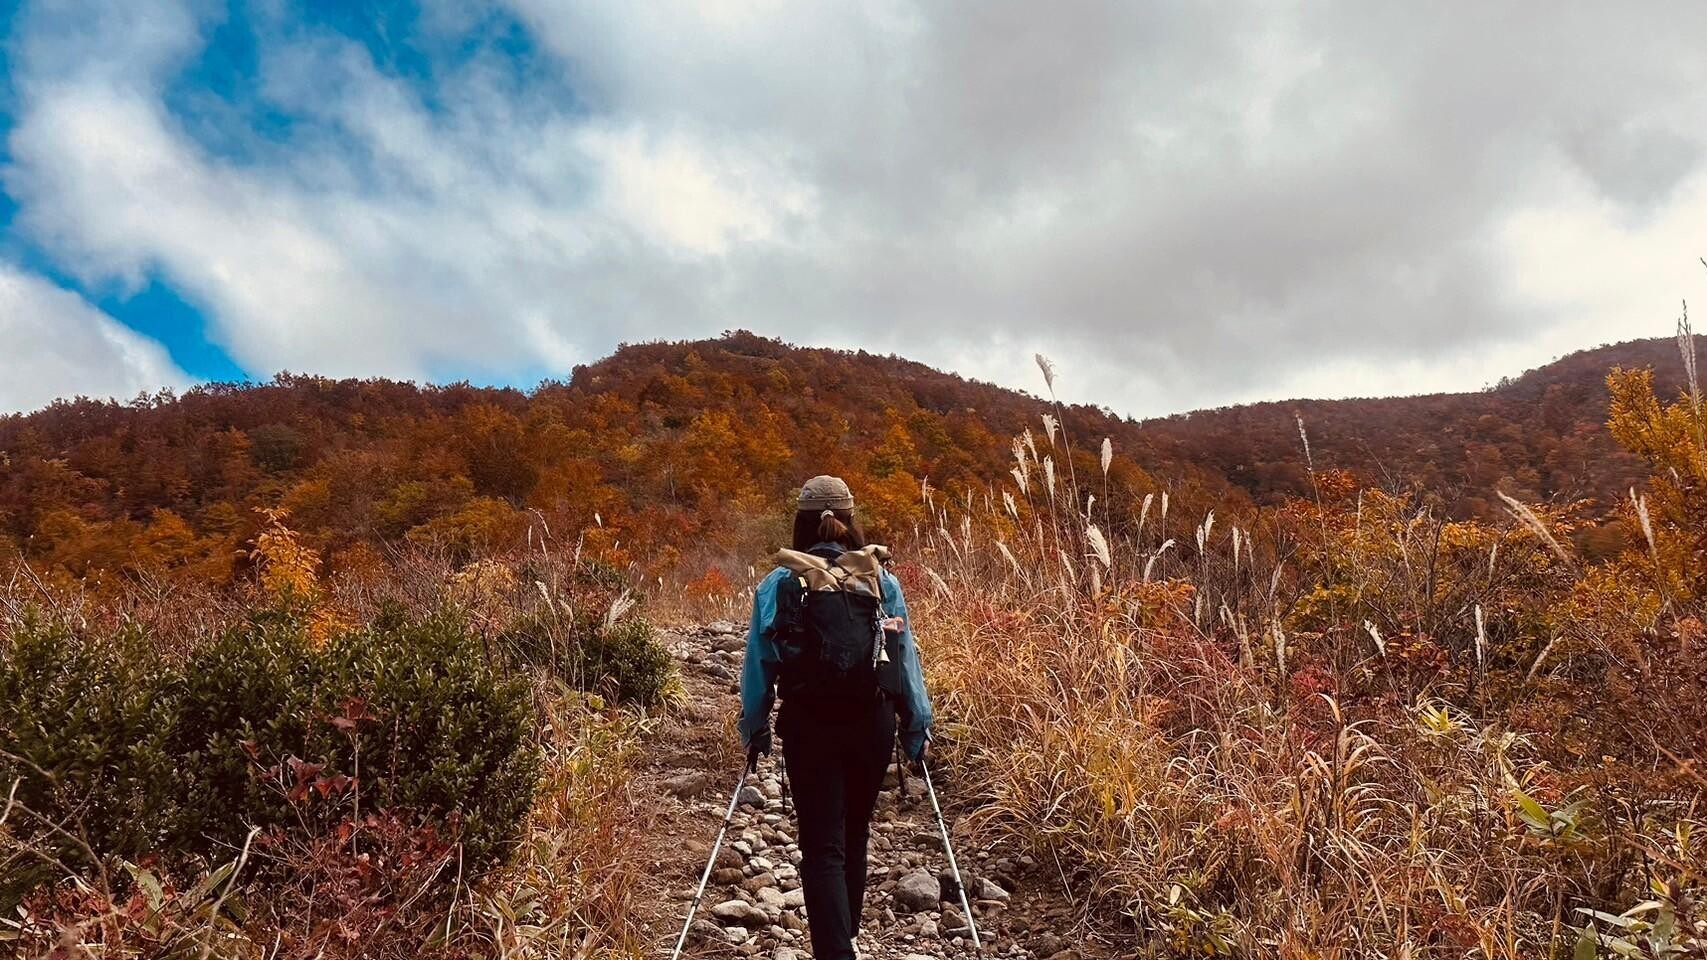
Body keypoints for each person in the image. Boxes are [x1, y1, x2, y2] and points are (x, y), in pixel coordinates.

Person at [739, 475, 934, 960]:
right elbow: (904, 657)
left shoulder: (780, 582)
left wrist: (754, 729)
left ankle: (836, 951)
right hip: (873, 721)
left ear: (802, 523)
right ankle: (843, 939)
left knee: (822, 844)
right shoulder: (880, 579)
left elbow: (760, 664)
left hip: (809, 723)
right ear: (851, 520)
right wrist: (916, 727)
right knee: (855, 829)